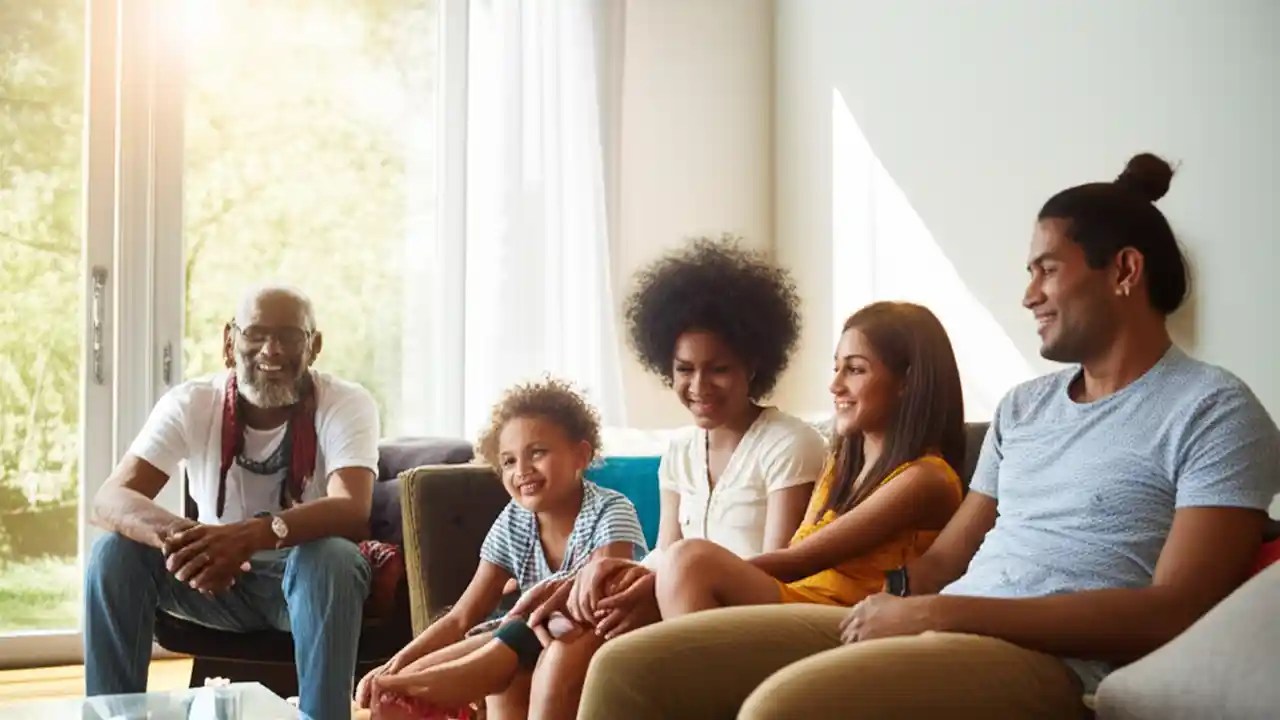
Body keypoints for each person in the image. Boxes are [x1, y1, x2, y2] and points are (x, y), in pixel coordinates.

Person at [576, 153, 1280, 720]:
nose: (1028, 294)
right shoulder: (1024, 409)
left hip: (1051, 664)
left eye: (1046, 270)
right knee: (635, 669)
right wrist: (895, 602)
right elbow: (943, 562)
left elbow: (1172, 612)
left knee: (788, 707)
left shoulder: (1213, 411)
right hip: (946, 621)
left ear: (1124, 270)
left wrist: (937, 613)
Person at [85, 286, 381, 720]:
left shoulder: (345, 401)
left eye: (290, 336)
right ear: (229, 342)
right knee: (112, 551)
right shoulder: (192, 401)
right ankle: (113, 716)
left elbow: (352, 507)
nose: (271, 350)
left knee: (332, 556)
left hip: (301, 582)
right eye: (256, 334)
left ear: (314, 346)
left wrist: (249, 537)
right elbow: (110, 498)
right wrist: (192, 542)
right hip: (211, 582)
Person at [354, 377, 647, 719]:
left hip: (591, 632)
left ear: (580, 455)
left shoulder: (611, 510)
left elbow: (601, 597)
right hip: (525, 634)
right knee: (401, 682)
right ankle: (428, 682)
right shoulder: (514, 521)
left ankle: (452, 682)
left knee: (535, 620)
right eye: (508, 461)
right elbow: (464, 614)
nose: (522, 471)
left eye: (537, 453)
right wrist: (396, 662)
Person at [653, 301, 966, 618]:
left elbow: (800, 560)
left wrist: (674, 574)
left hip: (843, 619)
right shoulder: (841, 464)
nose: (835, 385)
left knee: (690, 561)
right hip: (800, 603)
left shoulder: (926, 479)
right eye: (836, 369)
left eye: (855, 370)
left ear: (907, 381)